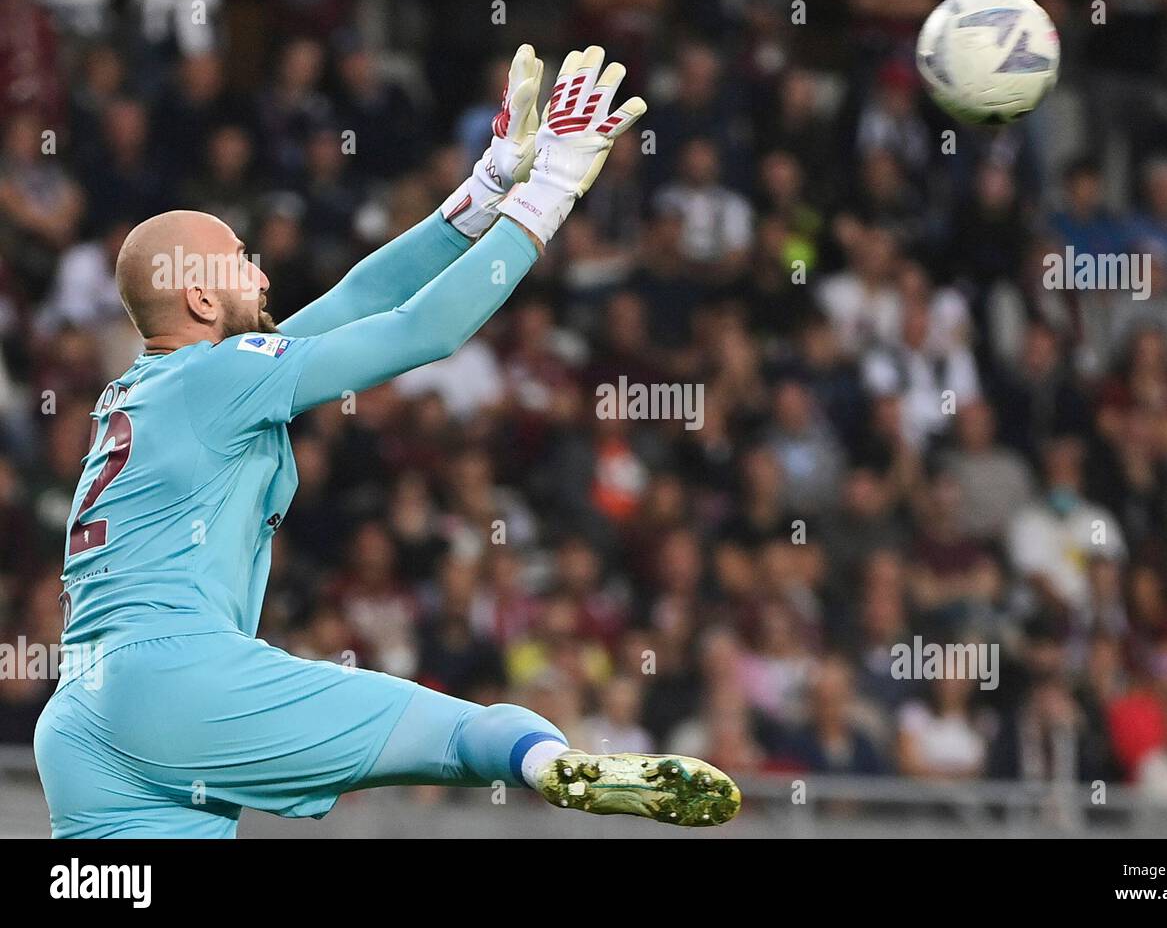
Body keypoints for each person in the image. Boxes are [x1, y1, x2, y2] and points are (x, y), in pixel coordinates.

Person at [33, 45, 739, 838]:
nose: (264, 278)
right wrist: (550, 191)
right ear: (199, 297)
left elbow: (355, 298)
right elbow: (422, 330)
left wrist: (482, 192)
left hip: (81, 719)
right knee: (464, 734)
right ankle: (548, 762)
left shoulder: (152, 389)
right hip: (181, 678)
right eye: (242, 265)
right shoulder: (218, 378)